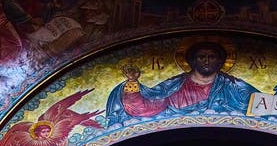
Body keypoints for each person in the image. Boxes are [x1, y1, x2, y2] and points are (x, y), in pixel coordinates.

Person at [106, 41, 257, 124]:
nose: (206, 60)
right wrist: (132, 83)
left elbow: (259, 104)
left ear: (220, 61)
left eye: (212, 57)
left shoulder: (233, 85)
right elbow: (147, 107)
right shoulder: (174, 85)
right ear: (191, 61)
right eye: (201, 56)